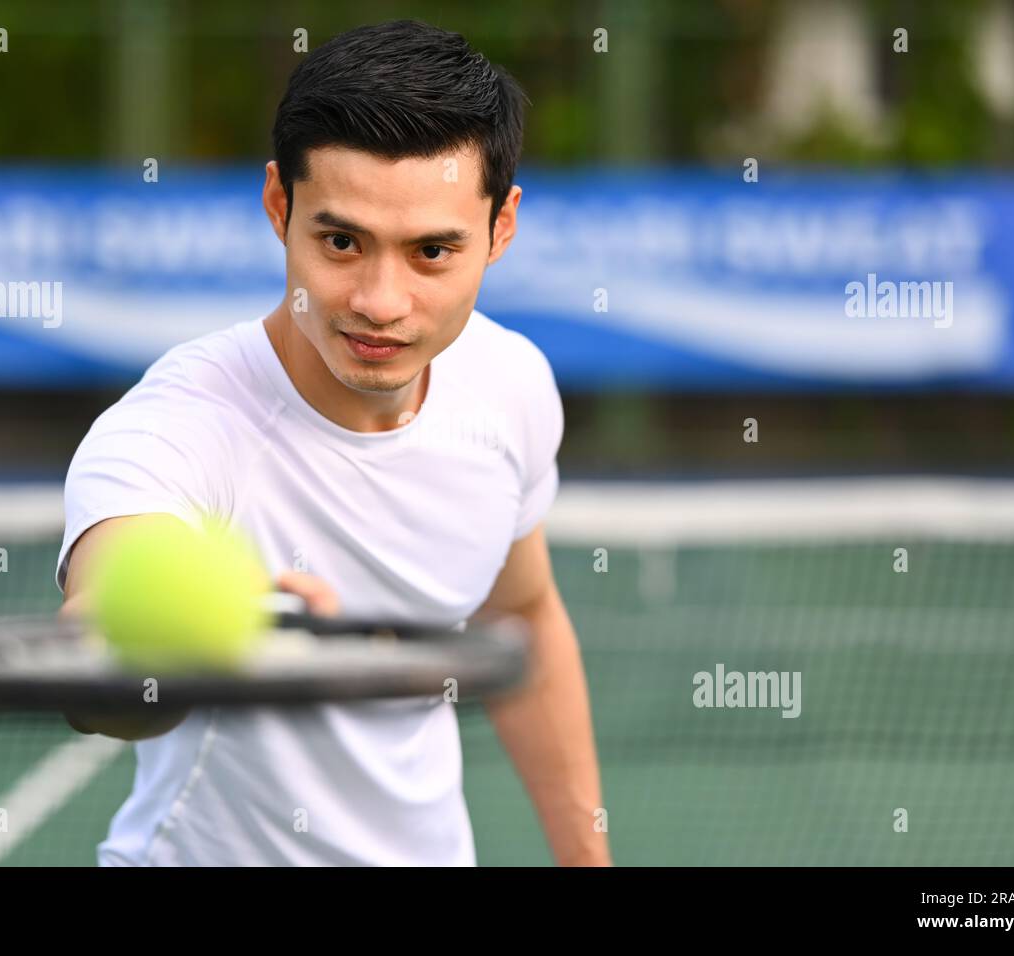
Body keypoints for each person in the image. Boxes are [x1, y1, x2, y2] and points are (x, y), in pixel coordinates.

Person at [56, 19, 608, 867]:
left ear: (501, 230)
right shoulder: (170, 428)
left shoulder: (511, 385)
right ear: (279, 206)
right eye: (342, 241)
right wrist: (190, 640)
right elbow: (104, 669)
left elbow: (520, 610)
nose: (381, 301)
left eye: (433, 251)